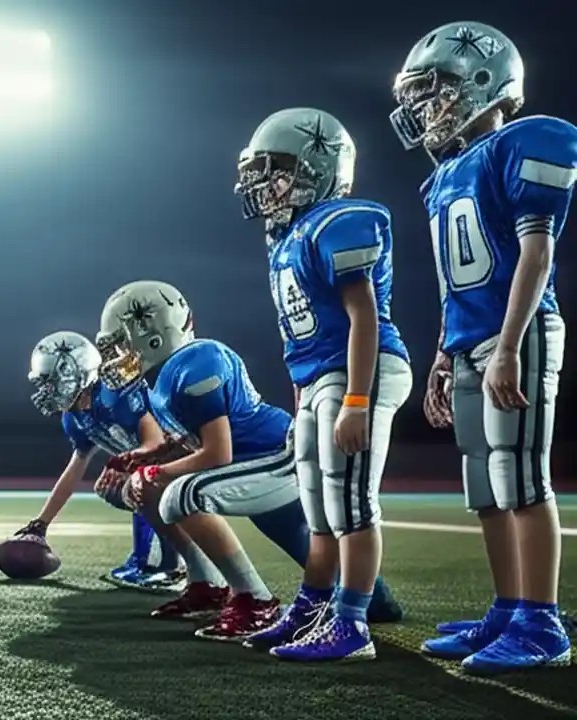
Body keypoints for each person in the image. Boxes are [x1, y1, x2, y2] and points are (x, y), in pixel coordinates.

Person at [391, 21, 573, 674]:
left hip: (514, 333)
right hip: (471, 340)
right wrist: (446, 351)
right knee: (486, 486)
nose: (422, 106)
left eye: (433, 89)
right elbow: (453, 280)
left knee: (521, 478)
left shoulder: (526, 141)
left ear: (482, 83)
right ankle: (507, 607)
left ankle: (541, 621)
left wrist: (507, 344)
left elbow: (537, 251)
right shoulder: (441, 178)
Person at [232, 108, 412, 661]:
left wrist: (357, 398)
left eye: (279, 169)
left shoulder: (338, 221)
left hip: (361, 365)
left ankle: (352, 623)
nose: (266, 183)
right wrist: (302, 403)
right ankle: (312, 607)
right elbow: (299, 343)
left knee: (349, 501)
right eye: (260, 171)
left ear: (321, 166)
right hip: (318, 377)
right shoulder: (286, 238)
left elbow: (365, 317)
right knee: (317, 507)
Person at [100, 281, 308, 641]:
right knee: (150, 484)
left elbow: (217, 453)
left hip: (280, 457)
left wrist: (156, 471)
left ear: (151, 332)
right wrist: (146, 458)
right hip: (250, 466)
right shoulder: (161, 376)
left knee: (181, 493)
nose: (118, 355)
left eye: (121, 343)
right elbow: (189, 440)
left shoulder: (196, 363)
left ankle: (256, 600)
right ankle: (207, 586)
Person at [15, 331, 184, 593]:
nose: (45, 391)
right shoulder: (74, 417)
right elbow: (75, 468)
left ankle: (169, 566)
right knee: (129, 483)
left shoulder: (115, 395)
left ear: (74, 373)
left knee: (139, 481)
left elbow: (156, 443)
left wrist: (123, 463)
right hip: (155, 463)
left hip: (185, 453)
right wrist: (41, 522)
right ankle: (146, 559)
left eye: (50, 382)